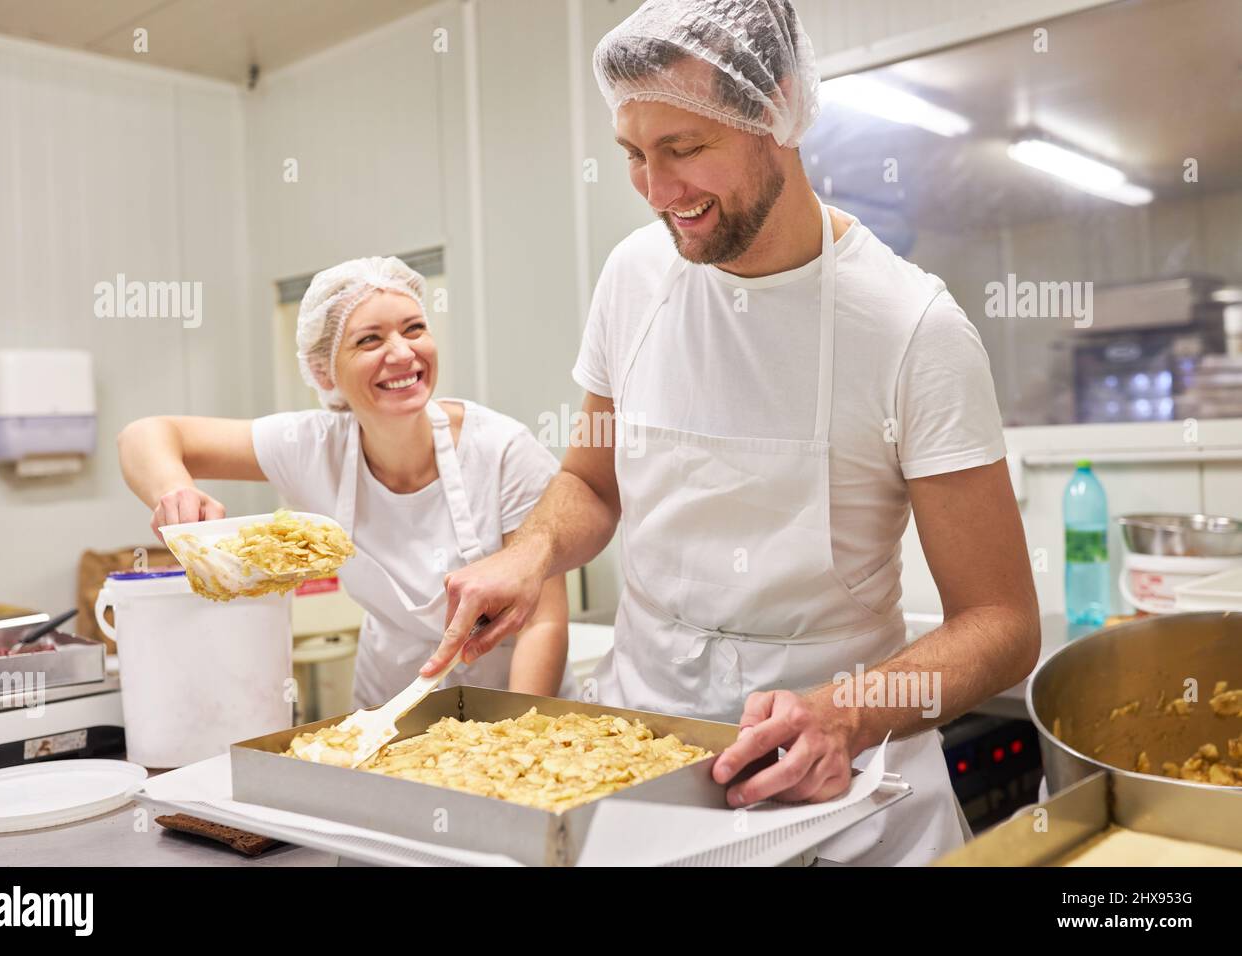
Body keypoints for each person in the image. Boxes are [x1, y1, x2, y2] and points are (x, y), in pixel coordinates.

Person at [419, 0, 1039, 865]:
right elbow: (593, 486)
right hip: (638, 760)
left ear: (776, 109)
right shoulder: (635, 277)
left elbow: (1003, 621)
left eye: (685, 149)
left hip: (843, 788)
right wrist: (530, 554)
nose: (660, 193)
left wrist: (848, 712)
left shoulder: (911, 330)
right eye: (635, 155)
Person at [119, 255, 572, 708]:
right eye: (369, 339)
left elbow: (543, 622)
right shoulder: (311, 446)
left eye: (414, 328)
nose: (401, 353)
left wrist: (515, 740)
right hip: (388, 710)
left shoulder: (501, 450)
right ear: (324, 371)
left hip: (515, 704)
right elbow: (145, 434)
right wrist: (173, 490)